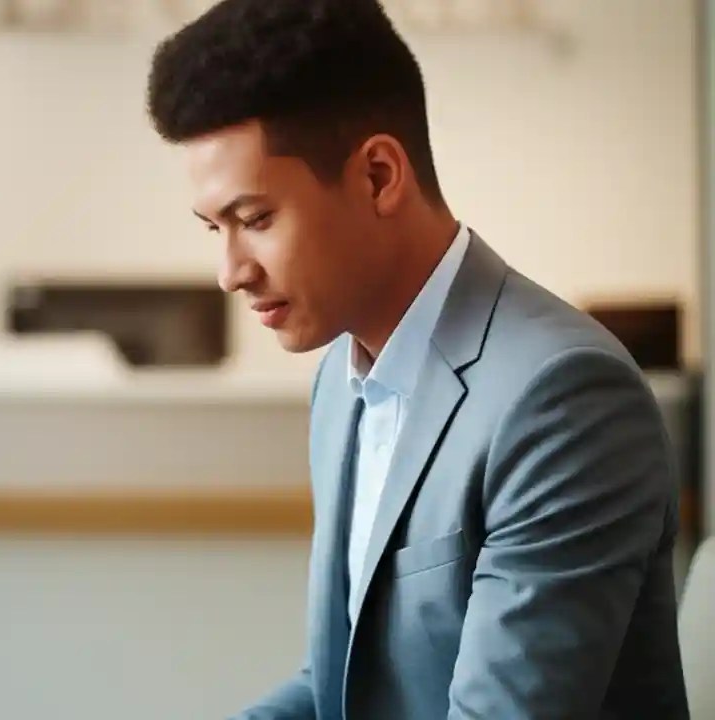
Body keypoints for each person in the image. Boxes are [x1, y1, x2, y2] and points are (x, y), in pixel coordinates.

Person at [146, 1, 690, 718]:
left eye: (255, 220)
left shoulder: (562, 399)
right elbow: (342, 687)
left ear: (378, 176)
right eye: (215, 228)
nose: (230, 270)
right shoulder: (343, 386)